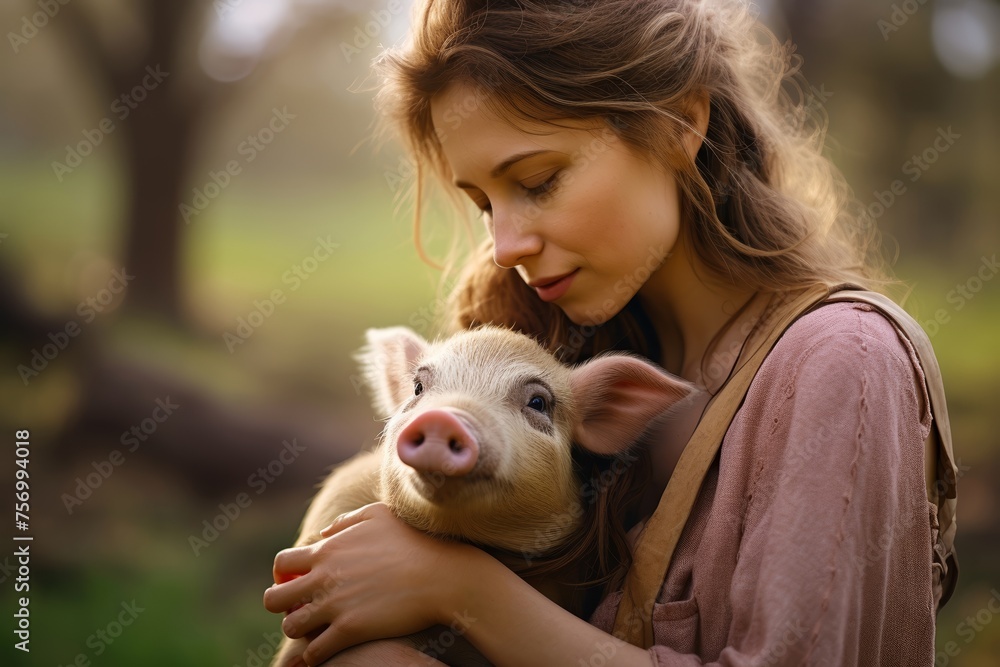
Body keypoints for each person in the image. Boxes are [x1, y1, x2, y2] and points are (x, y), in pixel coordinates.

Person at [263, 1, 952, 664]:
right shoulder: (565, 346)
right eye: (482, 203)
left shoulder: (842, 362)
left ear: (681, 123)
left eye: (538, 179)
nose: (504, 245)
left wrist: (459, 588)